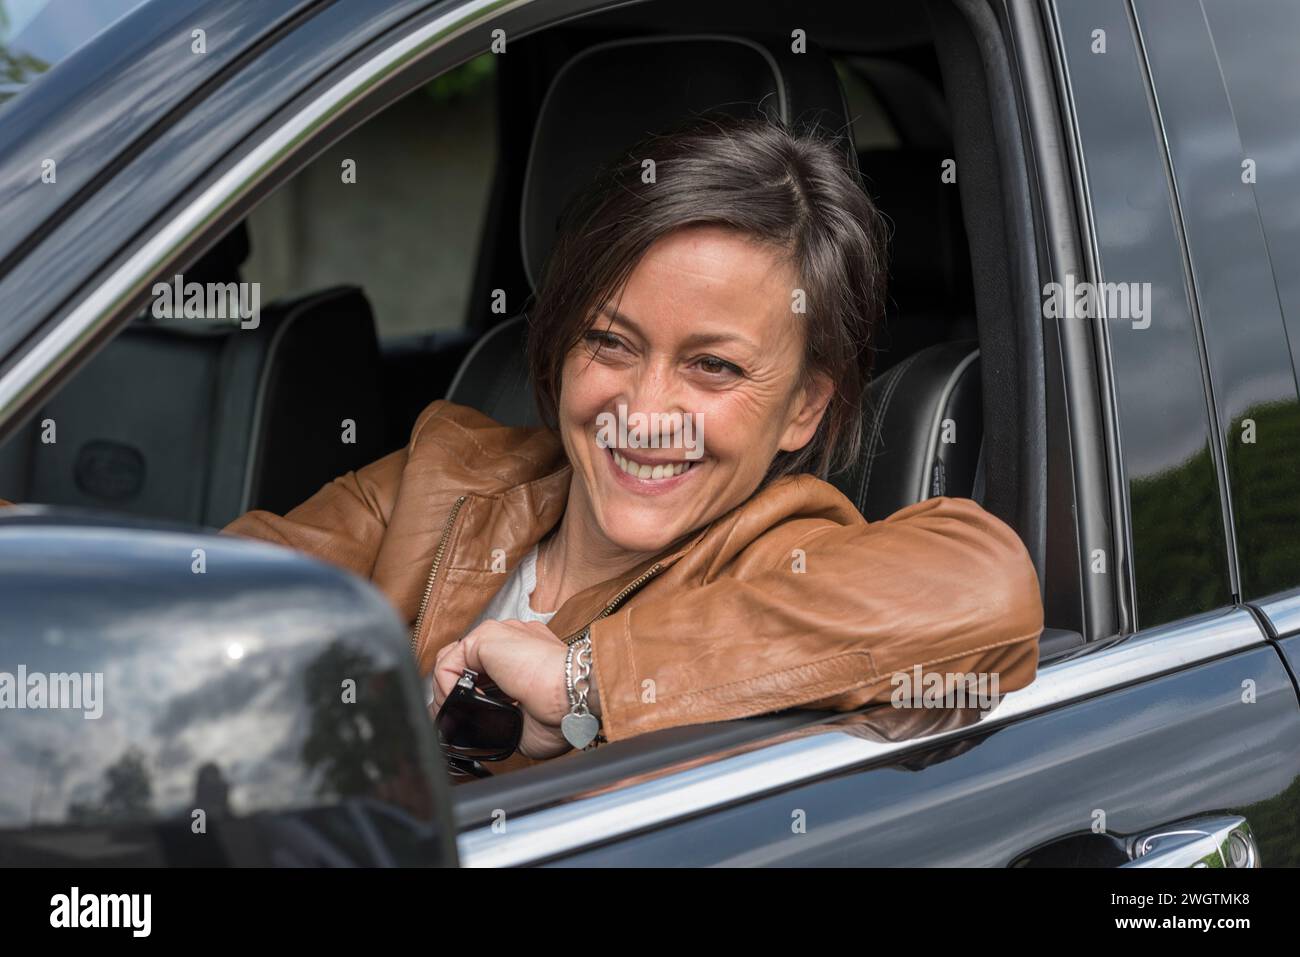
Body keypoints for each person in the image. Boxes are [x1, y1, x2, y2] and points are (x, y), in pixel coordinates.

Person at [223, 111, 1044, 769]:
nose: (646, 411)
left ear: (803, 408)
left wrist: (584, 681)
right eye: (610, 342)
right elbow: (201, 607)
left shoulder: (778, 558)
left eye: (714, 366)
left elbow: (983, 593)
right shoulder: (446, 472)